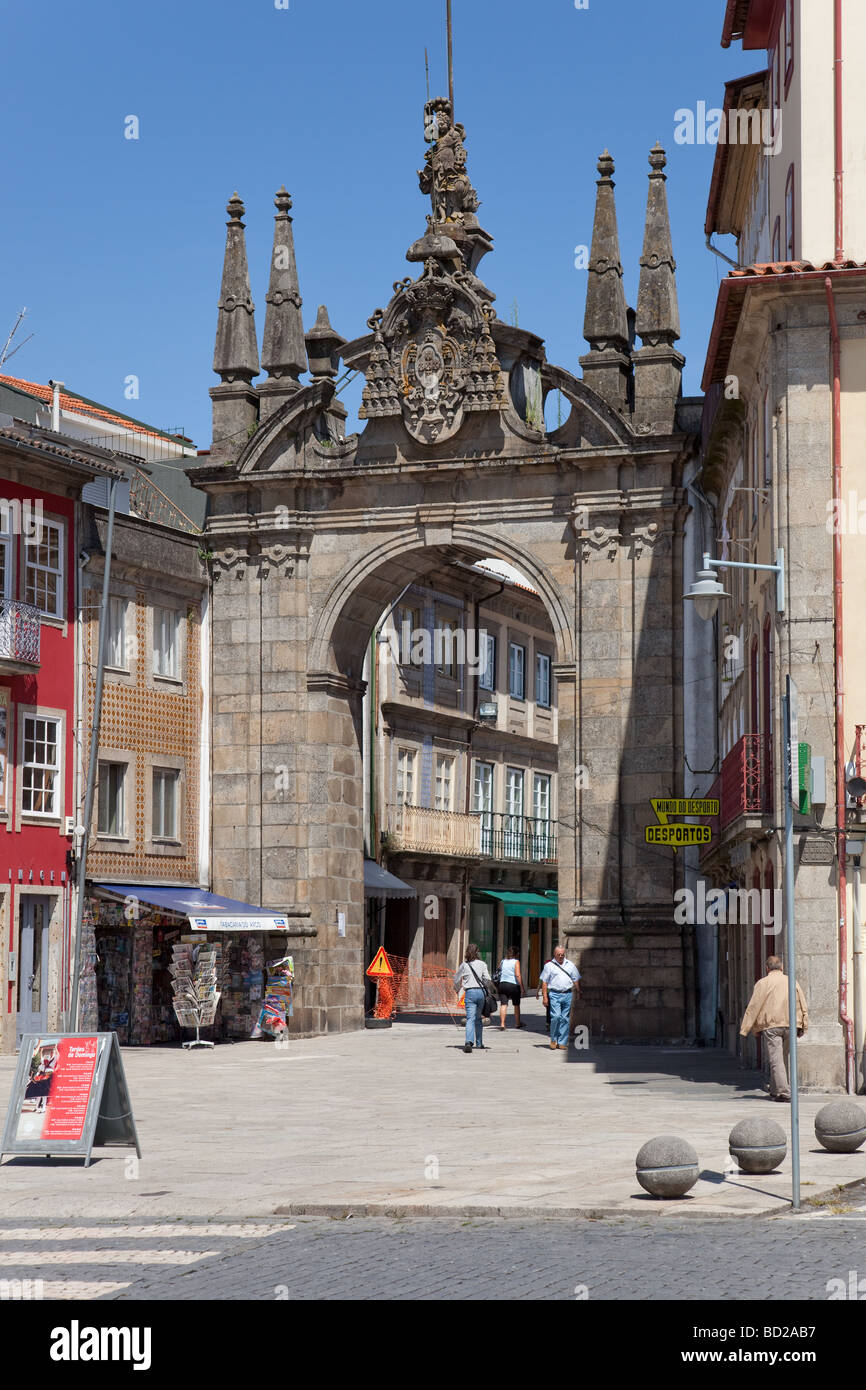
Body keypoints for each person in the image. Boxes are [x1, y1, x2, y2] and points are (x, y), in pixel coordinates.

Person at [739, 954, 808, 1101]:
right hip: (791, 1024)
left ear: (767, 968)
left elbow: (754, 1006)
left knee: (776, 1059)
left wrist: (747, 1028)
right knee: (782, 1057)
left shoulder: (763, 983)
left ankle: (784, 1092)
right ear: (782, 967)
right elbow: (802, 1001)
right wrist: (803, 1024)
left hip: (772, 1025)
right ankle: (775, 1089)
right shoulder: (791, 981)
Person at [539, 945, 581, 1050]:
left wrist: (579, 990)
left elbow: (575, 979)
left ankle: (562, 1042)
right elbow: (544, 982)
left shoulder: (570, 965)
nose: (561, 956)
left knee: (565, 1019)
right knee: (556, 1017)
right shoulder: (549, 966)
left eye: (563, 955)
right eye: (559, 955)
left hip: (567, 994)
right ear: (555, 955)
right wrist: (545, 997)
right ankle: (553, 1039)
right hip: (554, 994)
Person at [454, 944, 491, 1053]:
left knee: (470, 1018)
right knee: (478, 1018)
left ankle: (468, 1042)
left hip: (470, 992)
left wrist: (456, 989)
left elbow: (456, 978)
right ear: (477, 952)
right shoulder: (483, 964)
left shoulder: (464, 965)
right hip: (480, 993)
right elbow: (487, 979)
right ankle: (479, 1043)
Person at [497, 949, 523, 1029]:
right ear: (516, 954)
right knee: (516, 1005)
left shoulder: (502, 961)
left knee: (503, 1004)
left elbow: (498, 971)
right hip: (513, 985)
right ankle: (518, 1023)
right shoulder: (516, 962)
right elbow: (518, 975)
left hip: (502, 984)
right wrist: (522, 987)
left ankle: (502, 1024)